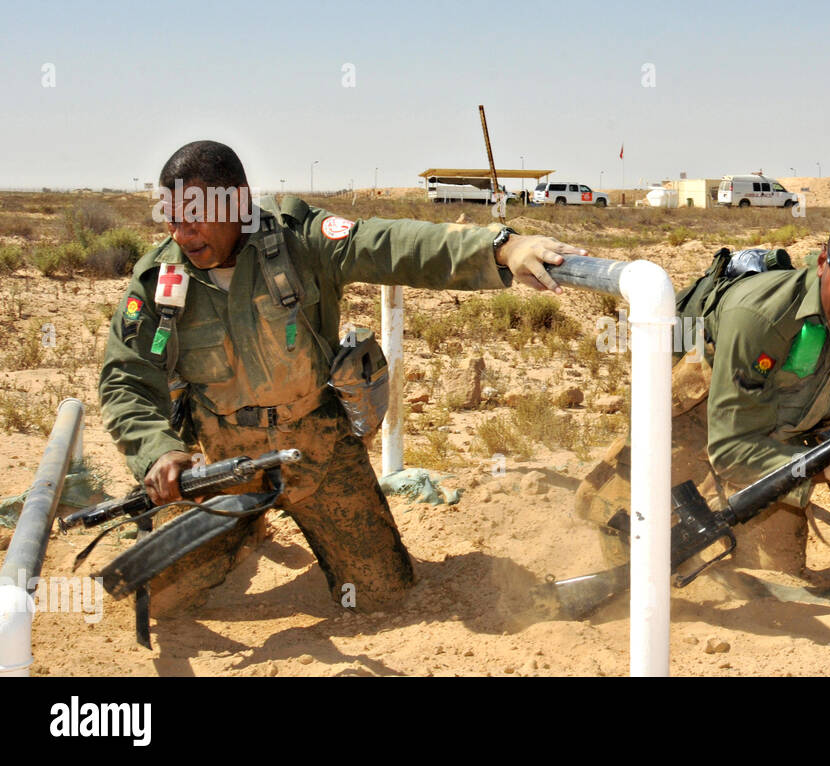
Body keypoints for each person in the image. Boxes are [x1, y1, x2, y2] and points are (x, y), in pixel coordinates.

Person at [100, 140, 585, 613]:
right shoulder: (159, 281)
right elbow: (125, 378)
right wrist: (158, 450)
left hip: (320, 453)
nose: (181, 234)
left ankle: (266, 525)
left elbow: (391, 243)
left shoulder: (298, 240)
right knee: (163, 600)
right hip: (226, 467)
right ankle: (245, 526)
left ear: (238, 205)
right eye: (171, 218)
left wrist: (500, 248)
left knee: (381, 595)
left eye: (195, 217)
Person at [576, 208, 830, 588]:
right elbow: (730, 447)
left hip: (780, 434)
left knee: (767, 575)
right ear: (821, 264)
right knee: (637, 542)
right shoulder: (759, 317)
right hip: (701, 404)